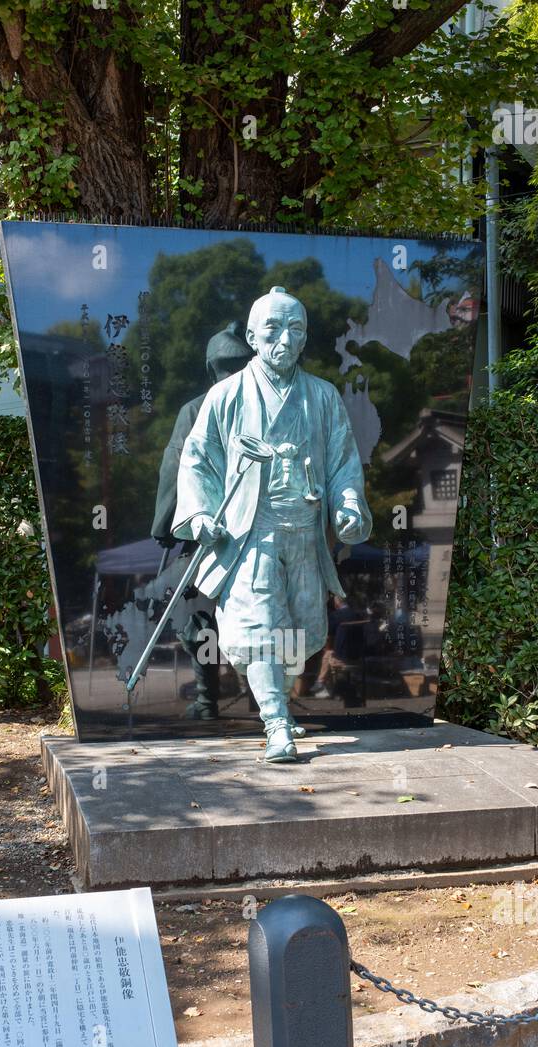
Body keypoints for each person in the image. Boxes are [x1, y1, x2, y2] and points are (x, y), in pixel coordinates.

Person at [172, 286, 372, 761]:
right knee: (258, 625)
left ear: (305, 339)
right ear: (252, 336)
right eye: (274, 329)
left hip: (304, 532)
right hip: (250, 533)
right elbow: (197, 460)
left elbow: (344, 461)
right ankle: (276, 722)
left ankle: (278, 703)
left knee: (298, 630)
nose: (285, 339)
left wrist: (347, 505)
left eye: (296, 329)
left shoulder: (322, 396)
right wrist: (200, 514)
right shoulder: (226, 396)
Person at [150, 322, 253, 719]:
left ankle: (209, 701)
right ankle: (261, 702)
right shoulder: (271, 406)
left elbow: (175, 466)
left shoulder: (196, 408)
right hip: (254, 533)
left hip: (207, 533)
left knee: (199, 620)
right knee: (257, 617)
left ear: (211, 367)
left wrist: (164, 526)